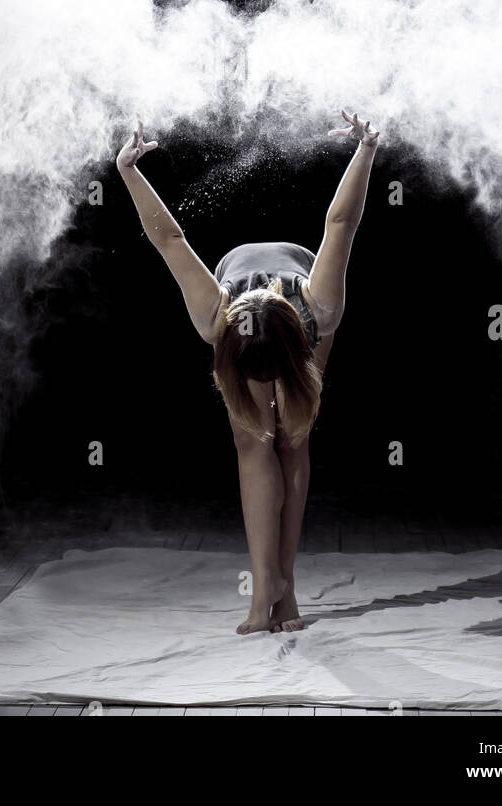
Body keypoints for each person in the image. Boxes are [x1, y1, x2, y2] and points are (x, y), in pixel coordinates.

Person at [116, 109, 379, 634]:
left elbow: (340, 224)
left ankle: (286, 586)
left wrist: (367, 147)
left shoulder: (318, 308)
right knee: (254, 440)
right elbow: (168, 239)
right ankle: (268, 588)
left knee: (292, 440)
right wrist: (128, 170)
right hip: (244, 330)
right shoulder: (215, 317)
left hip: (291, 320)